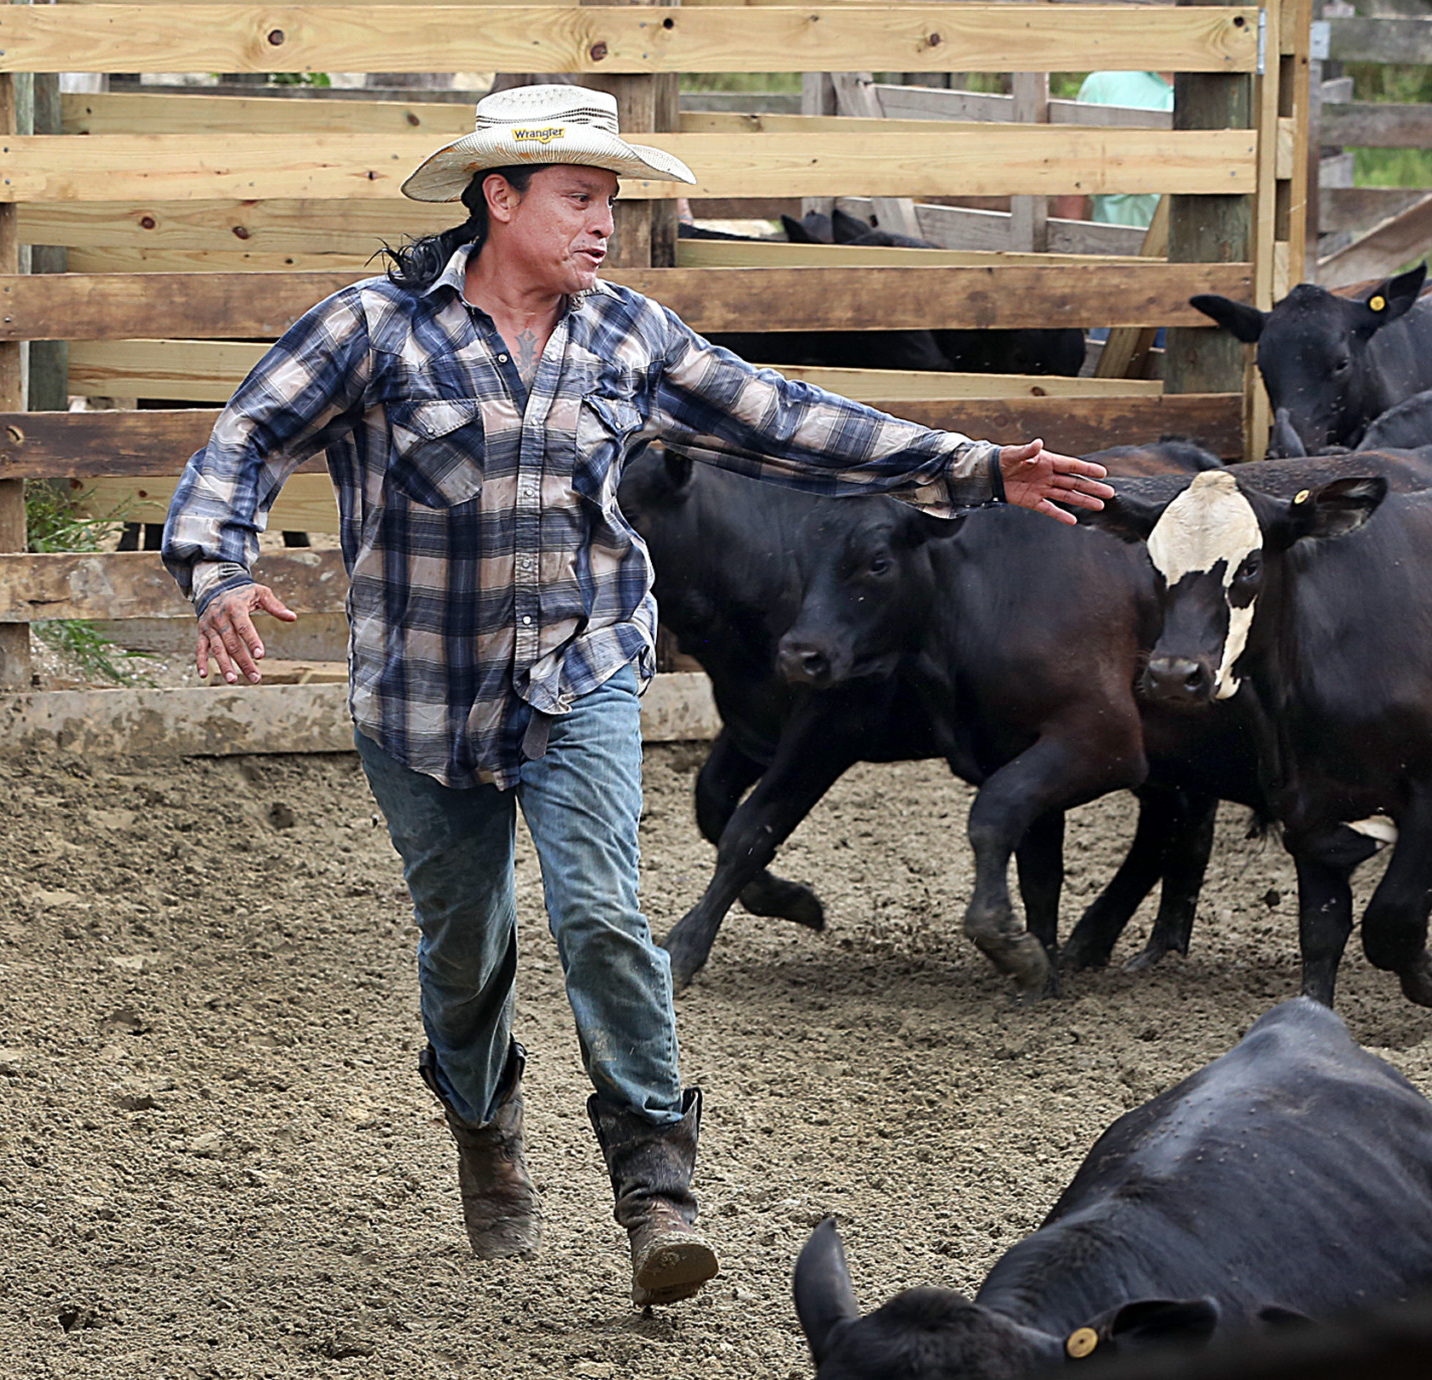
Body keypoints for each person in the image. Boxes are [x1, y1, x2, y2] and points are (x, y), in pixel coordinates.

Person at [160, 85, 1111, 1305]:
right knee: (466, 949)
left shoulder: (627, 336)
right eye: (580, 198)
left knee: (603, 912)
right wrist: (217, 569)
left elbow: (790, 420)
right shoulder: (373, 330)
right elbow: (243, 440)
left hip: (582, 668)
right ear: (498, 198)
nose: (604, 223)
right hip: (419, 693)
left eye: (611, 200)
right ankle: (483, 1121)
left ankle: (656, 1180)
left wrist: (970, 464)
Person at [1049, 70, 1174, 227]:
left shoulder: (1211, 90)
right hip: (1114, 239)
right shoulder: (1103, 84)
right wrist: (1070, 239)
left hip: (1198, 241)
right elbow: (1076, 175)